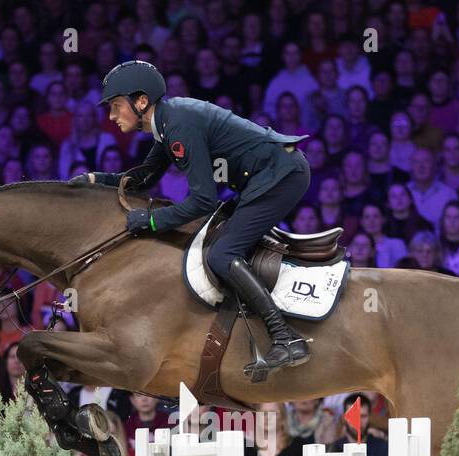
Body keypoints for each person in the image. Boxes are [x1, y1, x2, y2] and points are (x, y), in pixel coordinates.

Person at [72, 60, 311, 375]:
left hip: (281, 176)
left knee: (222, 254)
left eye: (116, 106)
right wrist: (92, 181)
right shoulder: (168, 123)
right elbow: (142, 179)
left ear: (141, 102)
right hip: (266, 176)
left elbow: (202, 200)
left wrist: (151, 221)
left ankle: (285, 337)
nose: (112, 116)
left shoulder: (179, 126)